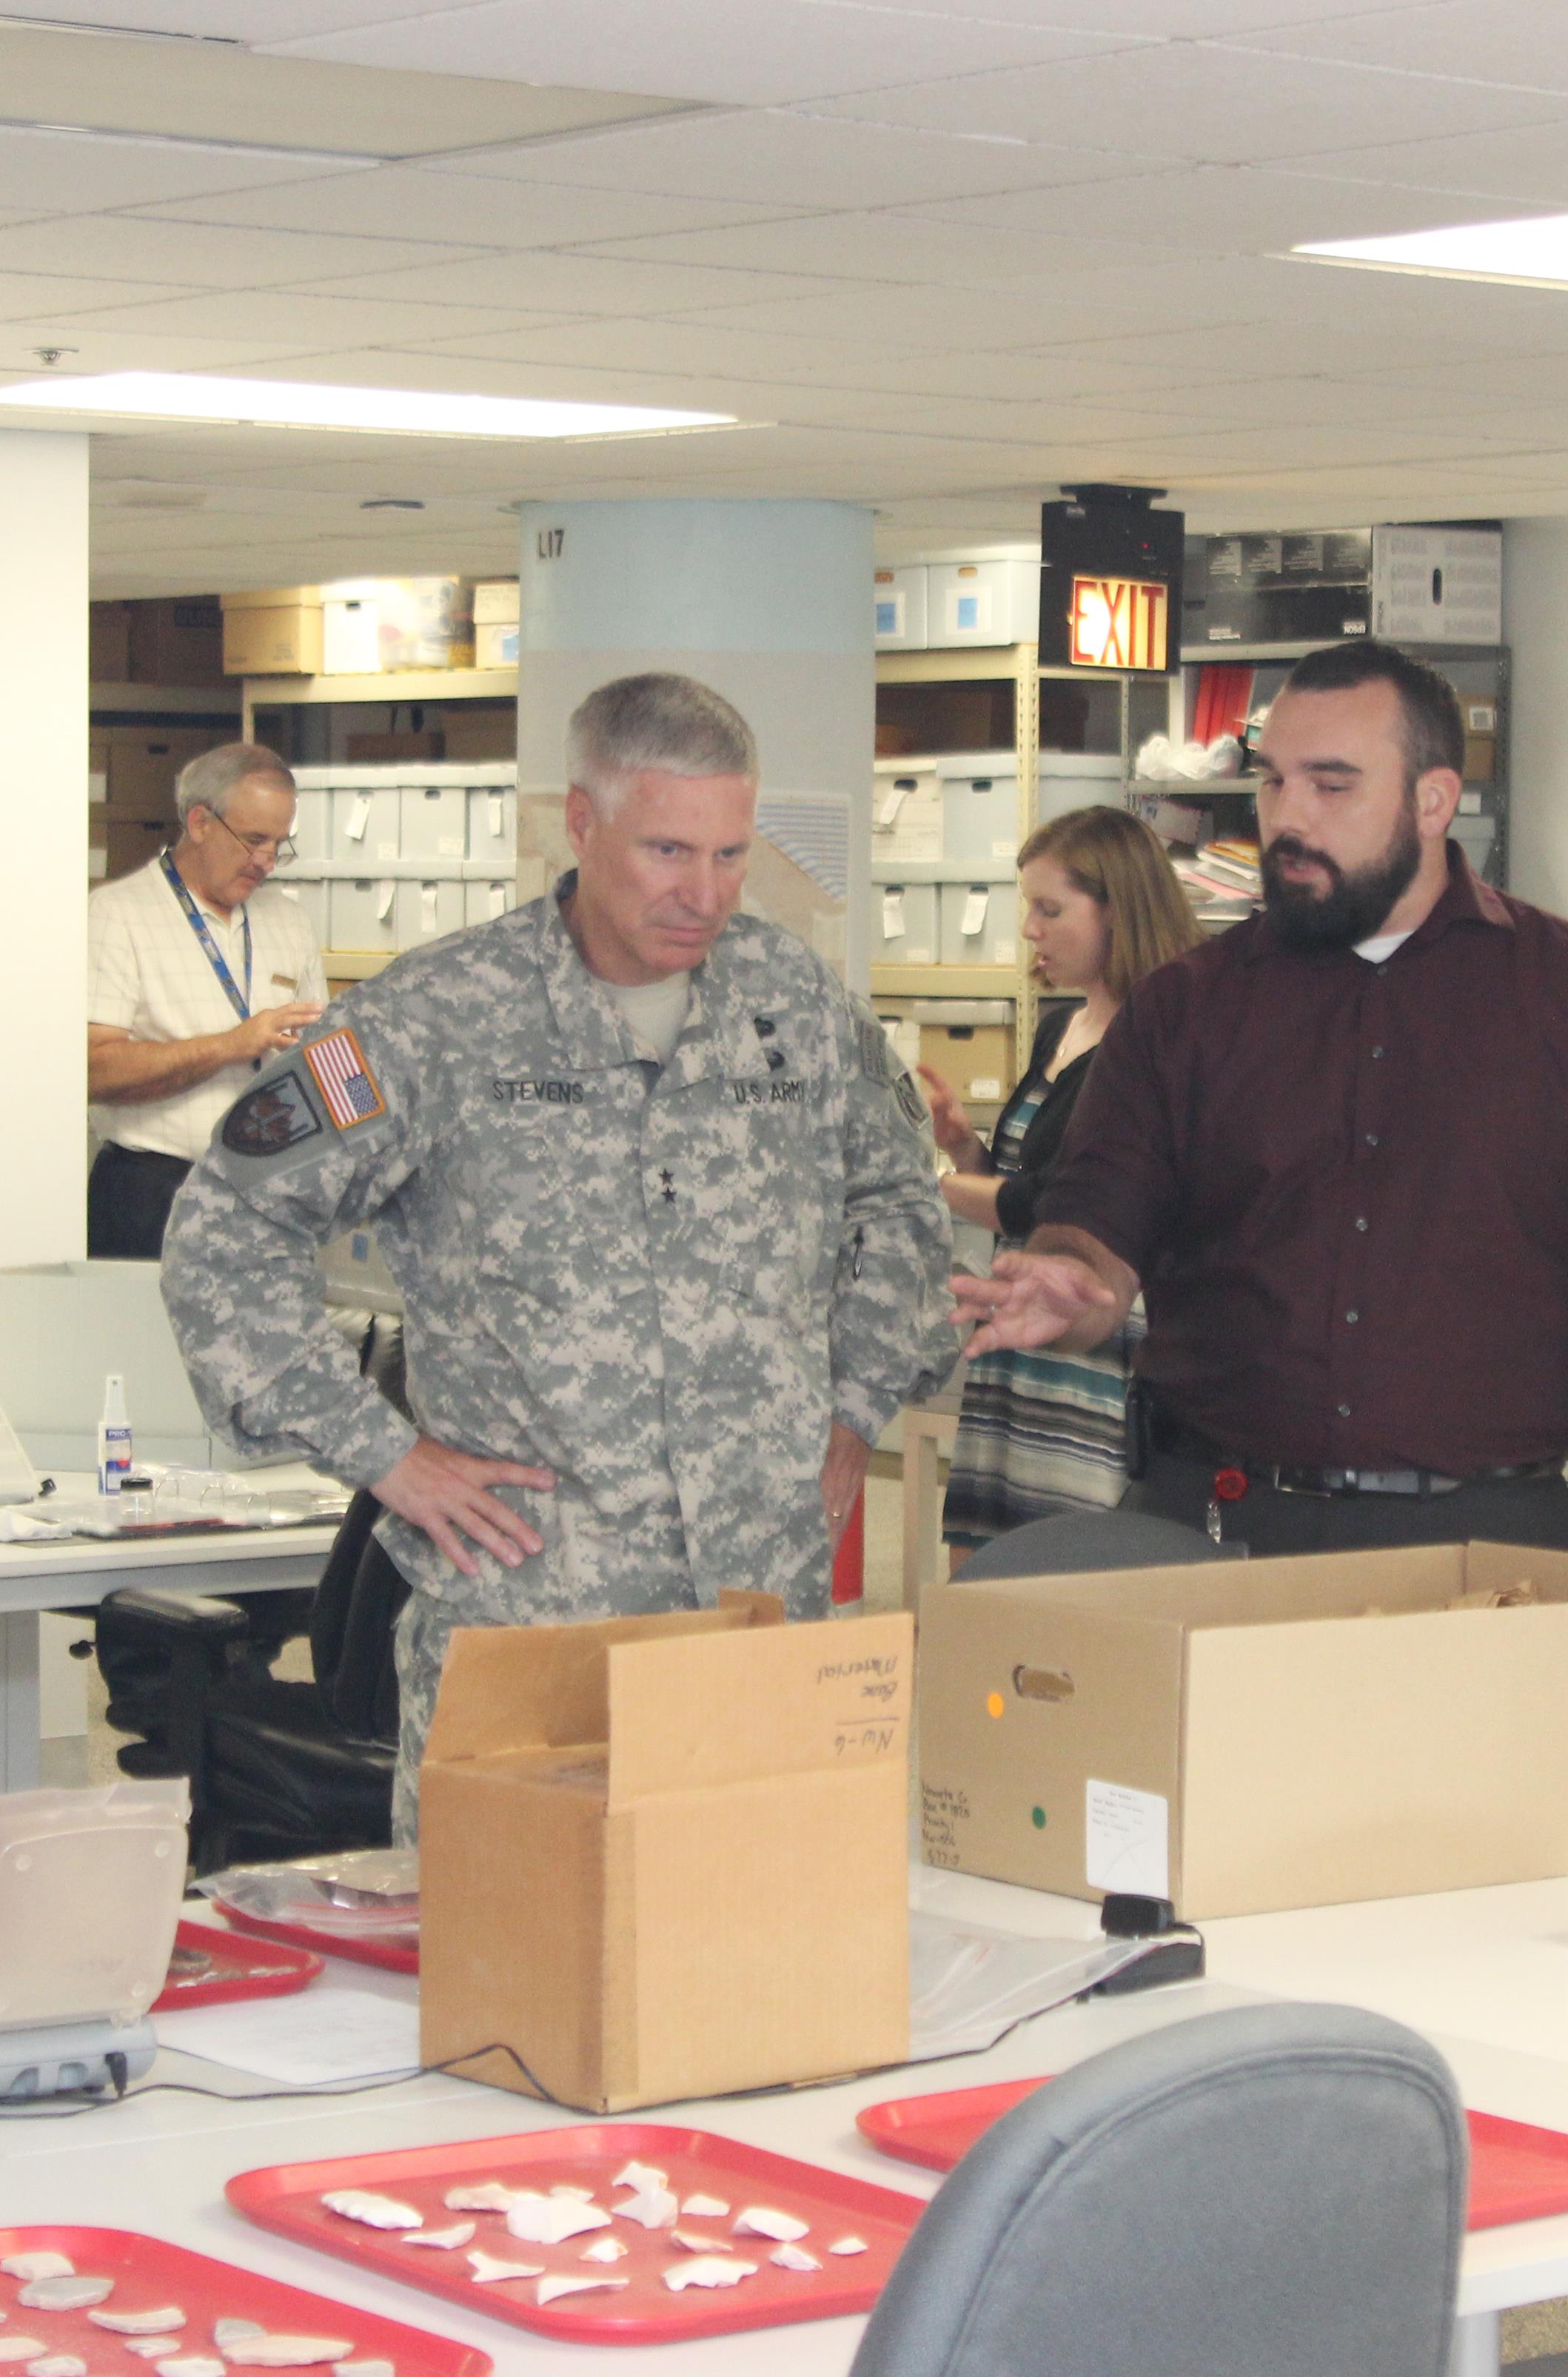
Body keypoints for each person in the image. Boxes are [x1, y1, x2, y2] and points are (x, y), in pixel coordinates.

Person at [161, 671, 956, 1835]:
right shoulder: (435, 1017)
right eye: (669, 852)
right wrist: (381, 1451)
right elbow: (224, 1227)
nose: (706, 894)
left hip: (756, 1608)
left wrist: (856, 1402)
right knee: (506, 1957)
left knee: (761, 1937)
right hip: (537, 1608)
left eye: (732, 855)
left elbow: (898, 1196)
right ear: (581, 825)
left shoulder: (790, 1000)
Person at [953, 637, 1568, 1563]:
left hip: (1485, 1537)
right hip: (1216, 1525)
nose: (1288, 818)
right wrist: (1069, 1284)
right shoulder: (1189, 1007)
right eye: (1274, 781)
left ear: (1433, 801)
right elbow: (1097, 1232)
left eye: (1332, 784)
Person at [921, 805, 1197, 1553]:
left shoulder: (1152, 1041)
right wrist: (967, 1151)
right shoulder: (1058, 1028)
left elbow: (1053, 1202)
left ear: (1119, 909)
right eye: (1028, 910)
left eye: (1051, 909)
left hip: (1090, 1351)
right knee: (986, 1566)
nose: (1032, 931)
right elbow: (1020, 1186)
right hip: (1019, 1343)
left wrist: (931, 1184)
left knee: (1071, 1575)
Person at [87, 740, 326, 1258]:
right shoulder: (117, 915)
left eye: (279, 845)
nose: (266, 861)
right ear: (200, 823)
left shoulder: (291, 924)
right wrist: (231, 1046)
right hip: (154, 1194)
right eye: (254, 840)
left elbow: (318, 1060)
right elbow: (93, 1070)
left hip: (271, 1194)